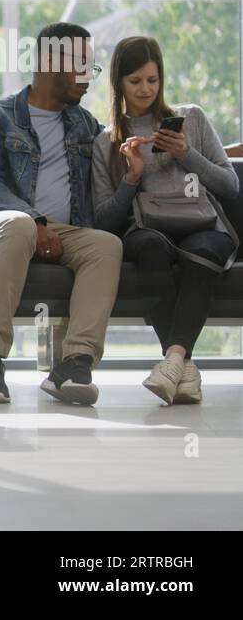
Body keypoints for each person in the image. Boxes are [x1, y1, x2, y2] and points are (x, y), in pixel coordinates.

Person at [0, 22, 122, 406]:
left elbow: (119, 153)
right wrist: (34, 219)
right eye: (81, 65)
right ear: (50, 60)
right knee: (18, 226)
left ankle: (74, 364)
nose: (88, 77)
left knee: (106, 246)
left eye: (92, 67)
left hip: (58, 232)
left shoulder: (85, 125)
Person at [91, 36, 238, 405]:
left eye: (153, 80)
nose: (145, 89)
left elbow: (230, 185)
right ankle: (183, 366)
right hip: (148, 231)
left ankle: (172, 361)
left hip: (204, 225)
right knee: (149, 247)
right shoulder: (106, 141)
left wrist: (187, 154)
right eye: (135, 81)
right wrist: (131, 177)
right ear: (118, 83)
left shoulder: (192, 119)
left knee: (202, 253)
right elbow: (105, 222)